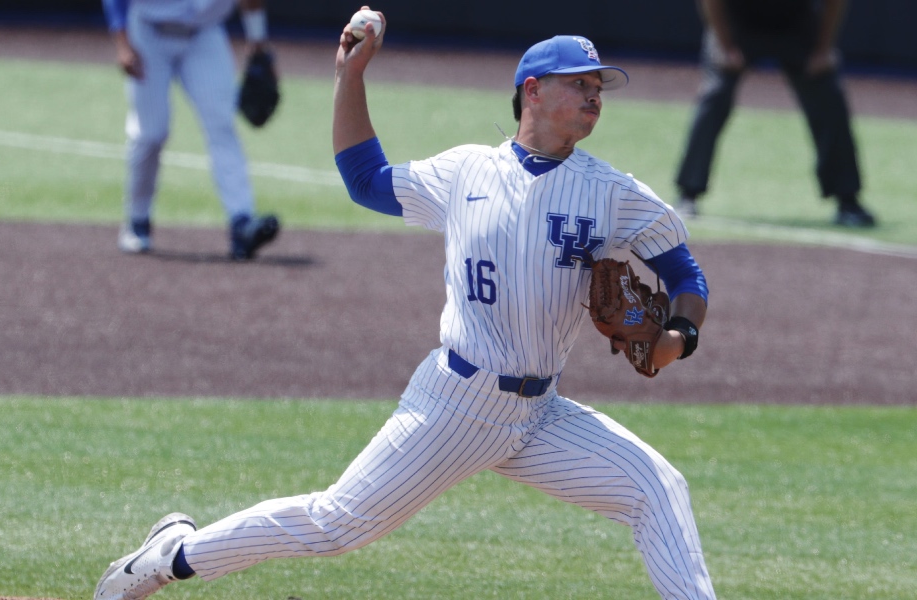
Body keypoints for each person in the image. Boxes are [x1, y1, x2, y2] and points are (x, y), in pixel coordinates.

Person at [93, 10, 717, 600]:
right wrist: (351, 75)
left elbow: (684, 272)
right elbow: (365, 179)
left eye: (599, 87)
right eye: (578, 83)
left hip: (541, 415)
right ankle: (170, 557)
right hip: (455, 406)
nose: (593, 95)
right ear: (532, 91)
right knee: (334, 525)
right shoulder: (465, 172)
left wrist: (675, 338)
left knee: (657, 489)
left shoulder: (613, 194)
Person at [101, 0, 280, 259]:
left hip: (204, 35)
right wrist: (122, 42)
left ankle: (242, 223)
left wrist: (258, 44)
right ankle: (137, 221)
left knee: (222, 126)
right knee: (151, 133)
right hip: (148, 32)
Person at [674, 0, 877, 227]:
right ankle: (687, 193)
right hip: (738, 21)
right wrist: (725, 46)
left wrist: (823, 49)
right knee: (715, 93)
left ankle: (848, 200)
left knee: (827, 95)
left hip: (795, 23)